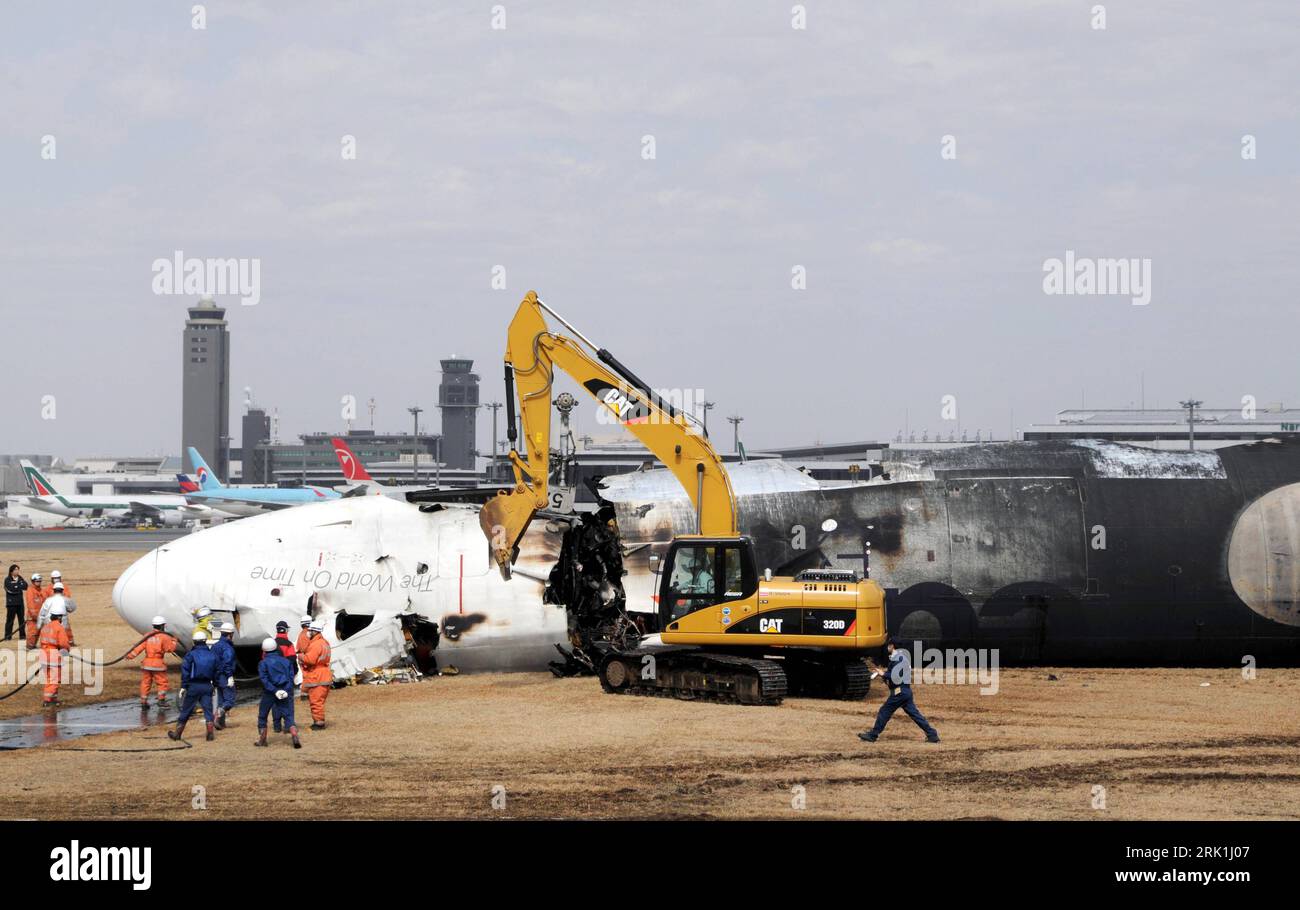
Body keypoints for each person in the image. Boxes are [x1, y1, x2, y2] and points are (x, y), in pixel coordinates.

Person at [859, 638, 940, 744]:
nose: (887, 647)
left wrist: (883, 674)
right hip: (905, 691)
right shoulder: (901, 657)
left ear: (892, 646)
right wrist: (883, 673)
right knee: (915, 714)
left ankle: (873, 735)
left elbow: (895, 676)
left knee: (884, 711)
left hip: (899, 692)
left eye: (889, 646)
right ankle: (932, 734)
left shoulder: (898, 658)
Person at [168, 630, 218, 742]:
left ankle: (177, 734)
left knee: (186, 710)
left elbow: (185, 671)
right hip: (207, 686)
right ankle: (210, 734)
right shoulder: (212, 655)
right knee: (208, 710)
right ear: (205, 641)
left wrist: (183, 686)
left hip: (193, 686)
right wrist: (214, 685)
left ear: (194, 642)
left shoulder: (190, 655)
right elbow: (216, 672)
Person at [254, 638, 301, 749]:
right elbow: (290, 678)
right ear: (276, 647)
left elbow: (264, 680)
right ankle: (294, 734)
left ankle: (262, 739)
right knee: (288, 715)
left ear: (264, 650)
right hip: (285, 690)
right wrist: (285, 690)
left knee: (263, 715)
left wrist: (275, 691)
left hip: (269, 692)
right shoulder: (286, 661)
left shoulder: (263, 663)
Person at [126, 616, 177, 708]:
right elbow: (170, 649)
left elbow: (139, 647)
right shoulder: (164, 637)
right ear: (163, 626)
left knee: (145, 683)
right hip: (157, 664)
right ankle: (161, 701)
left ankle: (143, 702)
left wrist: (130, 655)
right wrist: (174, 640)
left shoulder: (147, 636)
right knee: (162, 682)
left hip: (147, 664)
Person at [299, 619, 333, 730]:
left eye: (310, 630)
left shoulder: (316, 644)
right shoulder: (325, 643)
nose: (308, 632)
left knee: (315, 701)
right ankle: (319, 721)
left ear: (315, 631)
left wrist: (301, 657)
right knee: (320, 701)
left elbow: (310, 660)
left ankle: (318, 723)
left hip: (317, 675)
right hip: (325, 674)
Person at [38, 601, 73, 707]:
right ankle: (48, 700)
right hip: (53, 654)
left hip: (44, 654)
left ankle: (52, 699)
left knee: (49, 678)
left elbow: (41, 641)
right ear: (58, 617)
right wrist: (66, 650)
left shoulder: (45, 627)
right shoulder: (59, 627)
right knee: (54, 678)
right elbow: (63, 643)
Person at [212, 622, 237, 729]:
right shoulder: (227, 648)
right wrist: (229, 676)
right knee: (229, 700)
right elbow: (227, 663)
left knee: (221, 700)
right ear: (230, 634)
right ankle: (217, 718)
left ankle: (221, 723)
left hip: (216, 676)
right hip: (224, 676)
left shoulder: (215, 646)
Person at [24, 573, 48, 648]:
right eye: (37, 581)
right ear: (33, 581)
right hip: (32, 617)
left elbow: (46, 602)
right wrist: (35, 615)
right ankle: (30, 646)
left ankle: (33, 645)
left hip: (41, 616)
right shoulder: (30, 591)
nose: (39, 582)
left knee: (39, 632)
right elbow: (30, 604)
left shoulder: (42, 591)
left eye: (40, 581)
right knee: (32, 632)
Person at [4, 564, 27, 641]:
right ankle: (8, 636)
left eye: (18, 569)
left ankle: (22, 636)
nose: (17, 571)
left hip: (20, 603)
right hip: (11, 604)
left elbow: (25, 586)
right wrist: (18, 585)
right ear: (11, 571)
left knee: (21, 620)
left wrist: (16, 585)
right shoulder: (7, 579)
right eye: (15, 569)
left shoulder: (20, 578)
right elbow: (10, 589)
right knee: (10, 621)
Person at [295, 614, 313, 700]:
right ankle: (306, 694)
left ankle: (305, 693)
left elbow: (298, 648)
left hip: (301, 657)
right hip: (307, 657)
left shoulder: (301, 634)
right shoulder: (309, 634)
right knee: (309, 676)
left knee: (305, 676)